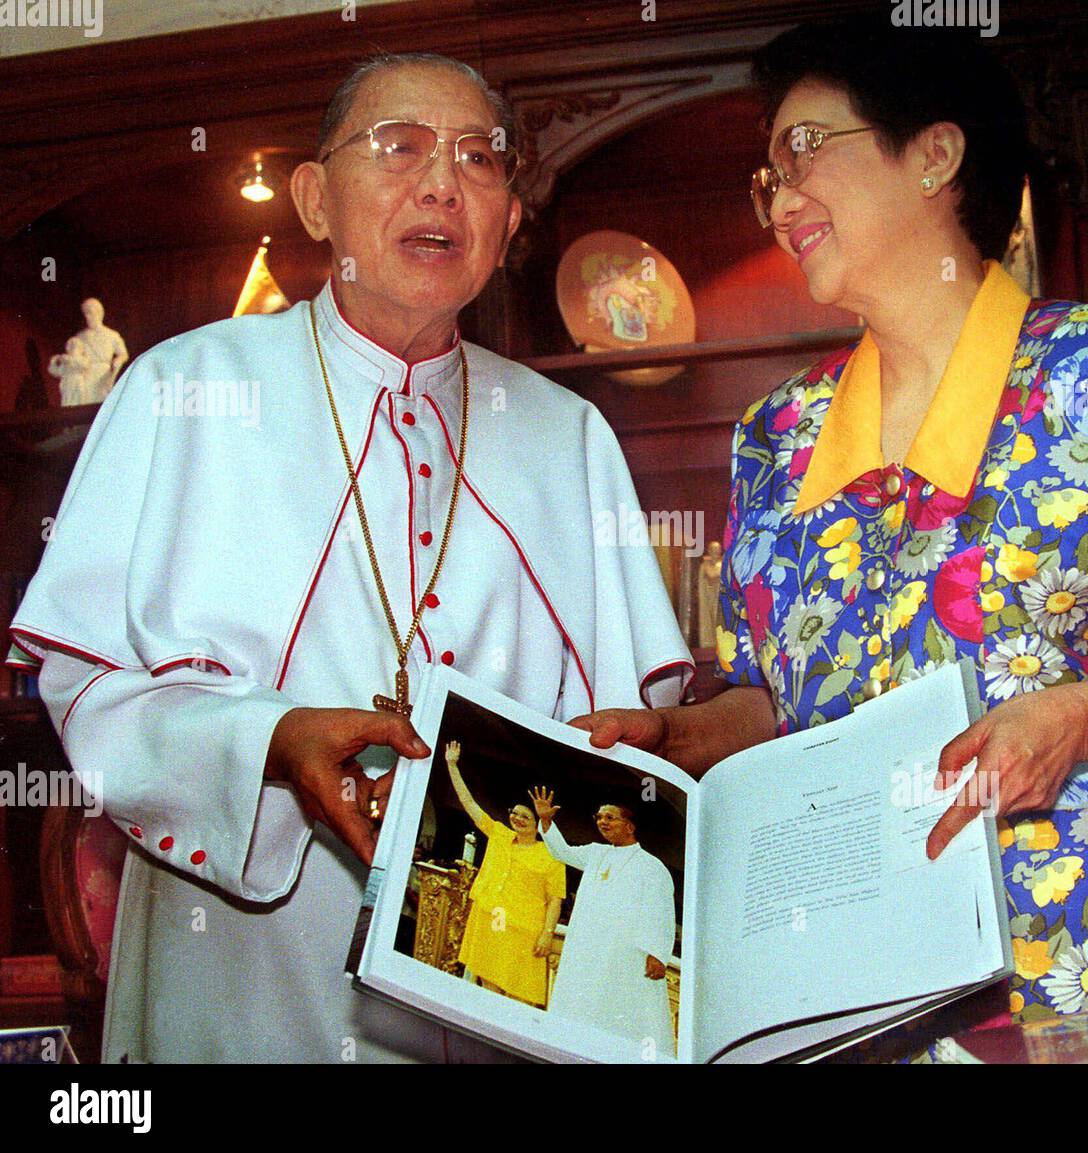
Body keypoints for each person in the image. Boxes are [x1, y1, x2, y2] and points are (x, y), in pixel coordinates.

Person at [572, 22, 1088, 1031]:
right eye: (765, 175)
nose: (780, 197)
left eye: (804, 149)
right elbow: (770, 704)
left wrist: (1086, 715)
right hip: (852, 982)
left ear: (935, 156)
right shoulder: (775, 435)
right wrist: (676, 736)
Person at [6, 51, 690, 1062]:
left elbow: (629, 741)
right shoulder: (179, 390)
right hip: (244, 951)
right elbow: (87, 686)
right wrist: (268, 744)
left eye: (479, 160)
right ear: (316, 200)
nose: (441, 185)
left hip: (501, 969)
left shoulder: (569, 435)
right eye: (399, 147)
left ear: (507, 223)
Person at [528, 787, 677, 1058]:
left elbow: (662, 911)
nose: (602, 822)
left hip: (625, 953)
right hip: (587, 947)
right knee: (583, 1005)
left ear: (630, 826)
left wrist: (658, 952)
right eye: (599, 817)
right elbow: (562, 852)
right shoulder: (596, 853)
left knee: (620, 1012)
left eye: (610, 817)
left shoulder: (652, 867)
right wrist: (546, 821)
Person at [443, 740, 565, 1006]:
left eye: (525, 816)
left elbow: (556, 900)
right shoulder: (499, 834)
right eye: (515, 813)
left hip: (523, 929)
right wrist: (452, 765)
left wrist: (547, 933)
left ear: (536, 823)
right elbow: (468, 802)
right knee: (487, 984)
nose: (518, 819)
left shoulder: (552, 856)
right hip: (489, 917)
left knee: (517, 996)